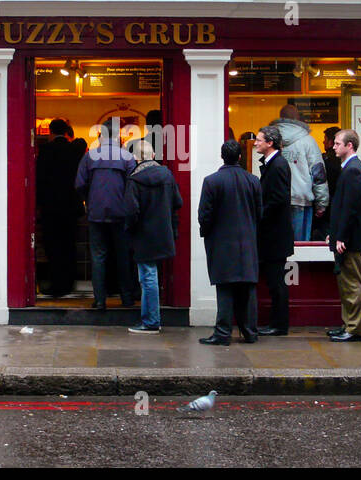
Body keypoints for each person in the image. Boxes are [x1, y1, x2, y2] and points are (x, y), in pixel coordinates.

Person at [197, 140, 262, 345]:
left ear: (222, 156)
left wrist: (207, 233)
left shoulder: (212, 181)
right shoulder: (253, 181)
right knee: (247, 289)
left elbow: (204, 215)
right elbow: (259, 213)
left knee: (224, 288)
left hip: (221, 242)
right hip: (247, 242)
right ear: (240, 157)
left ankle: (223, 333)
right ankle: (249, 332)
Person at [75, 122, 138, 309]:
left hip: (96, 214)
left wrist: (90, 199)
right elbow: (133, 186)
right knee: (123, 256)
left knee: (98, 256)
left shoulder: (89, 157)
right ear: (118, 136)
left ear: (100, 136)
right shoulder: (127, 156)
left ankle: (100, 300)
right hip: (121, 214)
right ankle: (126, 298)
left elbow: (79, 184)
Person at [124, 141, 182, 334]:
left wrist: (129, 230)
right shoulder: (167, 175)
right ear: (154, 154)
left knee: (147, 277)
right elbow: (178, 202)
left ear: (136, 158)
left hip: (144, 235)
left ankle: (151, 321)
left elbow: (131, 211)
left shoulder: (134, 180)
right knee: (153, 276)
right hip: (163, 232)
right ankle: (151, 319)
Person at [326, 129, 361, 342]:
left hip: (350, 240)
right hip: (345, 237)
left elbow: (350, 208)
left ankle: (354, 328)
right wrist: (334, 233)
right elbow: (343, 206)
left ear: (349, 146)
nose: (333, 147)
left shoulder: (354, 170)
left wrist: (341, 237)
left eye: (337, 143)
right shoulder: (349, 168)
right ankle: (348, 324)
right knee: (346, 284)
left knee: (352, 284)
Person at [36, 119, 86, 297]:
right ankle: (69, 282)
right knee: (69, 245)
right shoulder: (74, 149)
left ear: (50, 132)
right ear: (66, 132)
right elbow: (81, 142)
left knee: (53, 247)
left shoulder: (46, 150)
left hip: (51, 206)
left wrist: (38, 204)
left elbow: (39, 179)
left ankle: (57, 284)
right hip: (71, 206)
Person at [254, 125, 294, 336]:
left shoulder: (277, 166)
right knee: (274, 281)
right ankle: (277, 323)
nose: (255, 143)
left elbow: (277, 200)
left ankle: (279, 324)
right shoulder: (274, 164)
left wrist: (258, 215)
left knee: (277, 282)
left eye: (259, 140)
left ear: (270, 143)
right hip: (273, 234)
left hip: (275, 236)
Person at [270, 104, 329, 241]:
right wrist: (322, 203)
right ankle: (296, 264)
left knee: (277, 244)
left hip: (276, 201)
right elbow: (318, 173)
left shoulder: (270, 141)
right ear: (298, 119)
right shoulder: (308, 141)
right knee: (300, 247)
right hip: (301, 200)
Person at [316, 126, 343, 241]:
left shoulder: (324, 161)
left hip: (327, 207)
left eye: (325, 139)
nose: (323, 141)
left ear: (331, 142)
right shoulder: (343, 161)